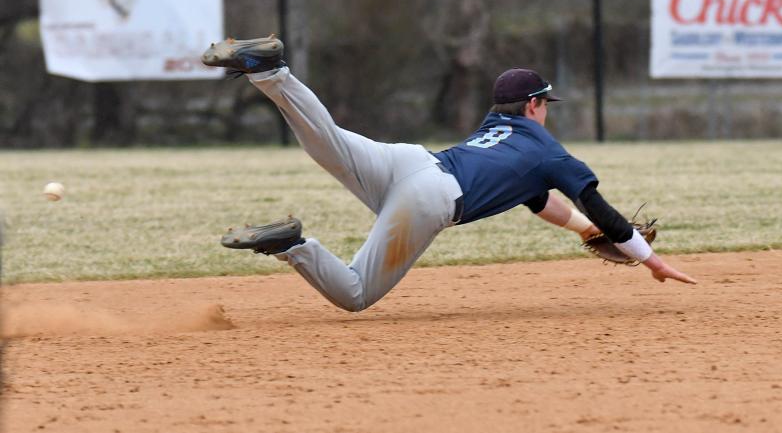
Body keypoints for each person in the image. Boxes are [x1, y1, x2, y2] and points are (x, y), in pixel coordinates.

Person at [201, 35, 697, 312]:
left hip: (411, 162)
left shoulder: (494, 128)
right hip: (429, 196)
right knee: (354, 294)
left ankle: (269, 72)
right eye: (546, 103)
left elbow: (537, 198)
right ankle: (292, 244)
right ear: (533, 104)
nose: (547, 112)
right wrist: (648, 257)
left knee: (324, 140)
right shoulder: (546, 150)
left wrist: (581, 229)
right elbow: (598, 205)